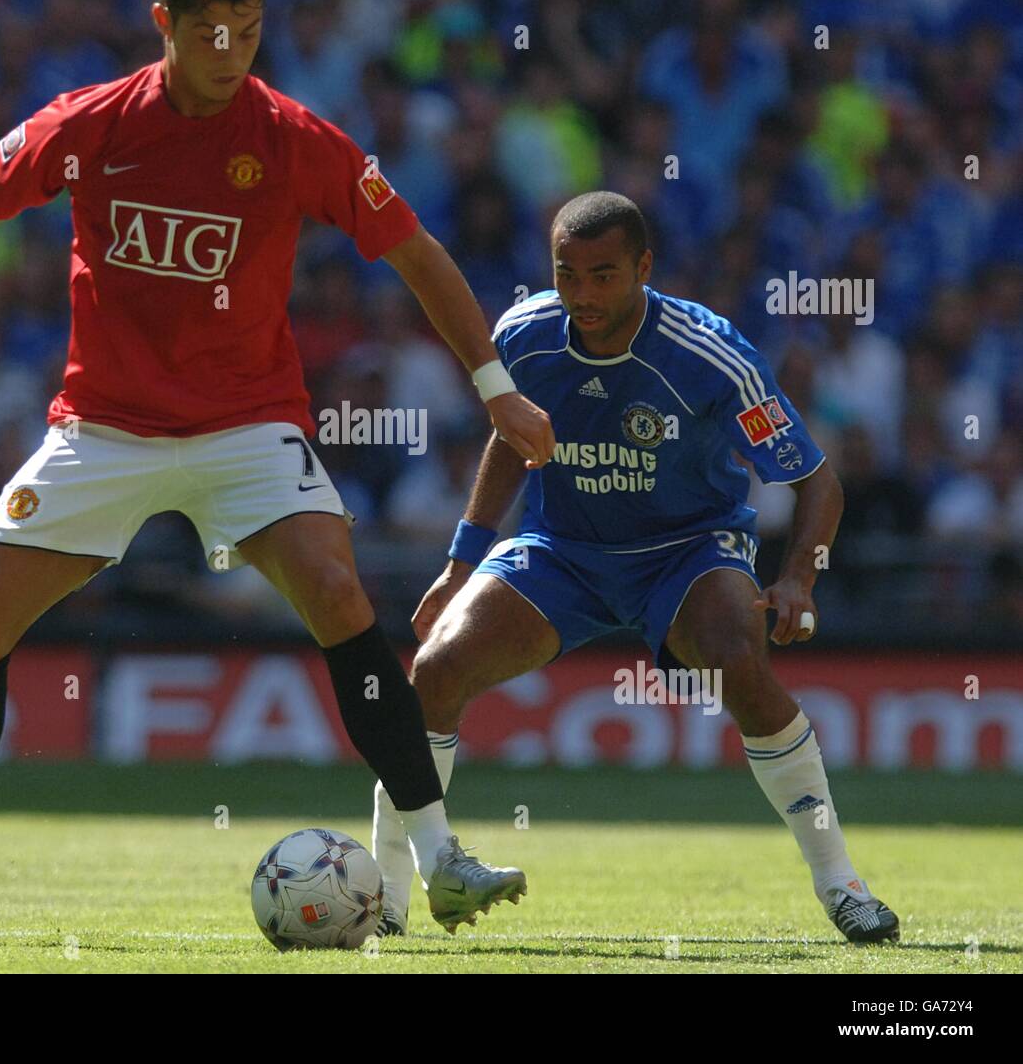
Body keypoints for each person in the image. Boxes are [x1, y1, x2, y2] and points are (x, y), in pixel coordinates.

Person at [0, 0, 554, 942]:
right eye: (209, 31)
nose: (230, 51)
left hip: (248, 425)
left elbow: (415, 252)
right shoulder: (91, 122)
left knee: (340, 597)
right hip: (104, 427)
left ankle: (440, 856)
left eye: (248, 30)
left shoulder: (295, 138)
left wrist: (494, 385)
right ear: (164, 24)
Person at [372, 191, 899, 944]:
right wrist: (461, 564)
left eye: (603, 275)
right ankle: (388, 899)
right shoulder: (522, 338)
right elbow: (509, 436)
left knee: (734, 657)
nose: (582, 295)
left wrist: (798, 578)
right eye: (567, 275)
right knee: (438, 665)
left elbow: (817, 481)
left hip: (687, 551)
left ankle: (840, 882)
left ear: (644, 268)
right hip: (563, 551)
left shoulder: (709, 355)